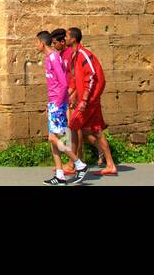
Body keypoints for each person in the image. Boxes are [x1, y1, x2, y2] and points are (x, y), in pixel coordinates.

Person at [65, 27, 117, 176]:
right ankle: (110, 164)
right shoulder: (75, 56)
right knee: (97, 132)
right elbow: (78, 80)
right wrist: (74, 95)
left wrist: (85, 99)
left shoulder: (83, 54)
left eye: (67, 36)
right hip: (88, 100)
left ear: (74, 39)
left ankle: (74, 164)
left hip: (89, 101)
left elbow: (92, 75)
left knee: (73, 125)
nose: (65, 38)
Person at [37, 30, 87, 185]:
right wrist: (50, 103)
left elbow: (63, 83)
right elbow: (54, 85)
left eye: (36, 42)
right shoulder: (49, 58)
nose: (35, 45)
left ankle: (79, 164)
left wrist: (57, 104)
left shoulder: (53, 58)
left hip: (58, 104)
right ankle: (59, 175)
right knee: (53, 139)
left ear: (42, 43)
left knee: (53, 137)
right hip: (54, 102)